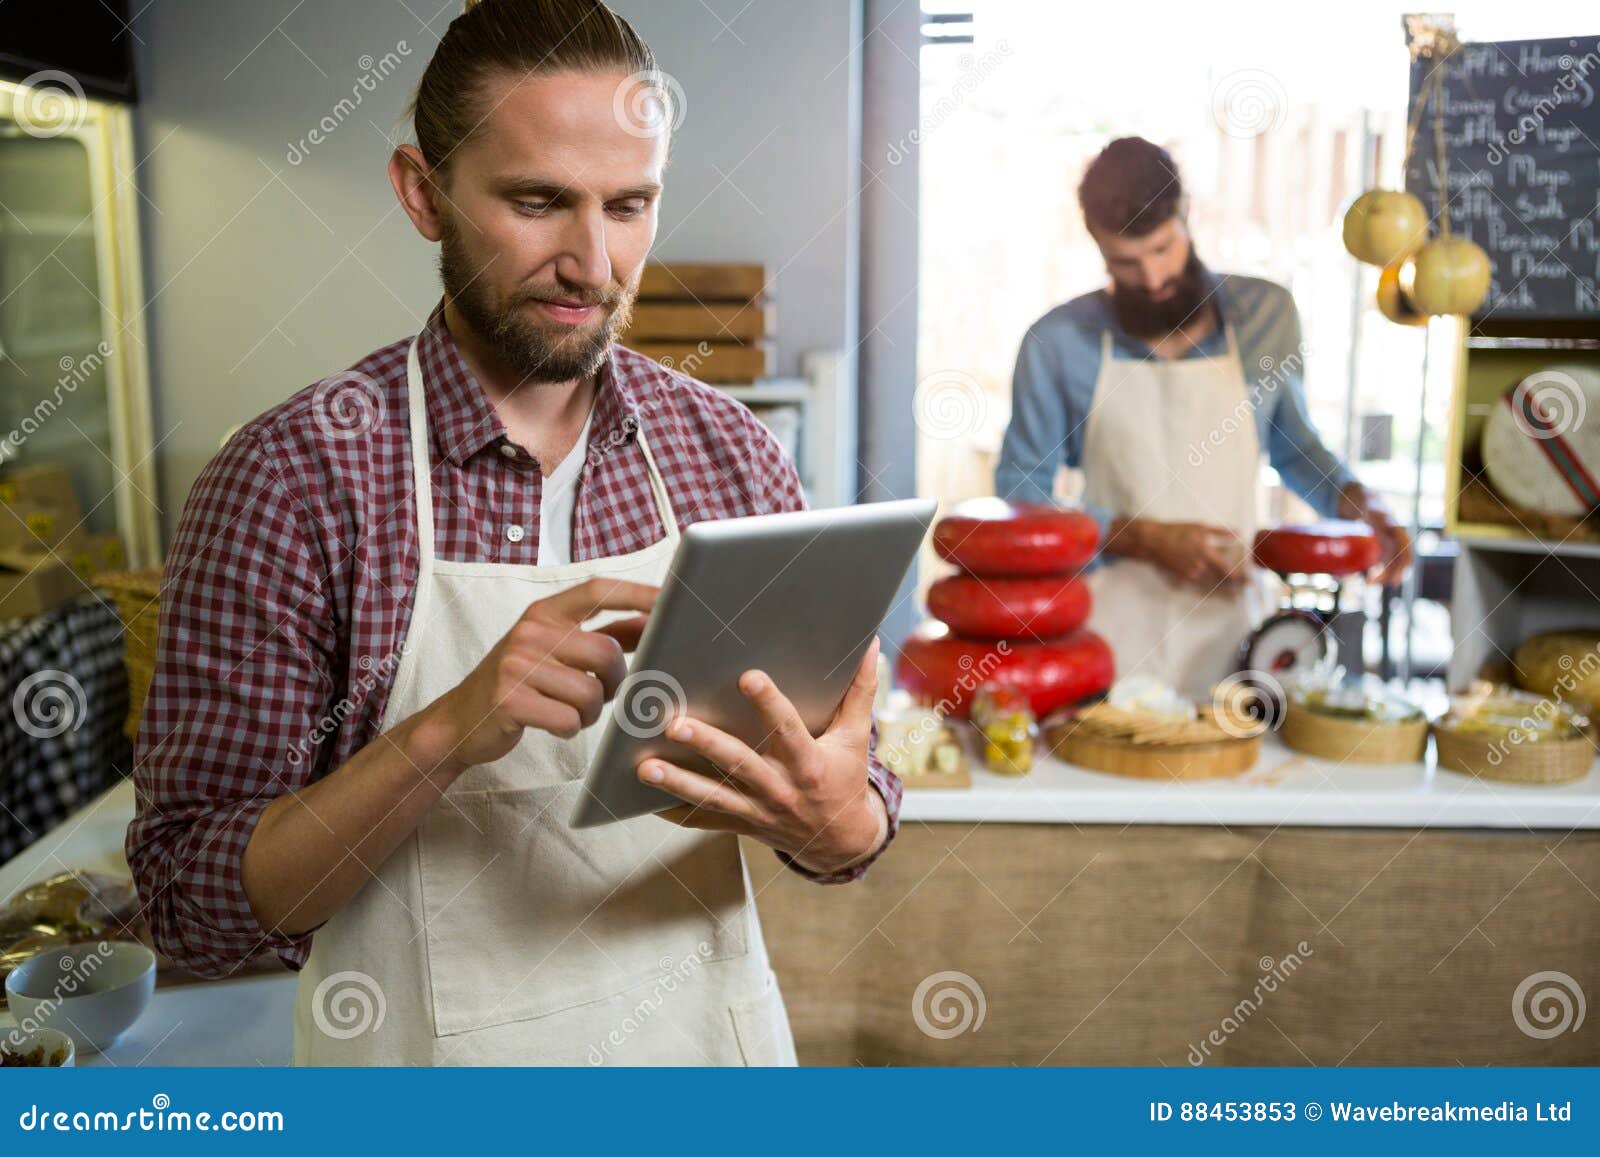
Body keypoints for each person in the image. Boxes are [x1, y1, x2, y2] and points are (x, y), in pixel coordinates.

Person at [126, 0, 897, 1067]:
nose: (593, 260)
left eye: (629, 205)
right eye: (539, 201)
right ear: (422, 192)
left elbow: (856, 821)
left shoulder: (733, 457)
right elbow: (188, 904)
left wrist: (833, 815)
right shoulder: (293, 477)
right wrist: (443, 733)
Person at [996, 137, 1411, 697]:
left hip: (1238, 649)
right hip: (1104, 654)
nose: (1151, 277)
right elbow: (1024, 501)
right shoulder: (1056, 343)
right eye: (1126, 261)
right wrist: (1144, 539)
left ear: (1186, 214)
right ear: (1097, 245)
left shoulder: (1265, 315)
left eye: (1163, 249)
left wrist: (1366, 506)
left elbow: (1293, 446)